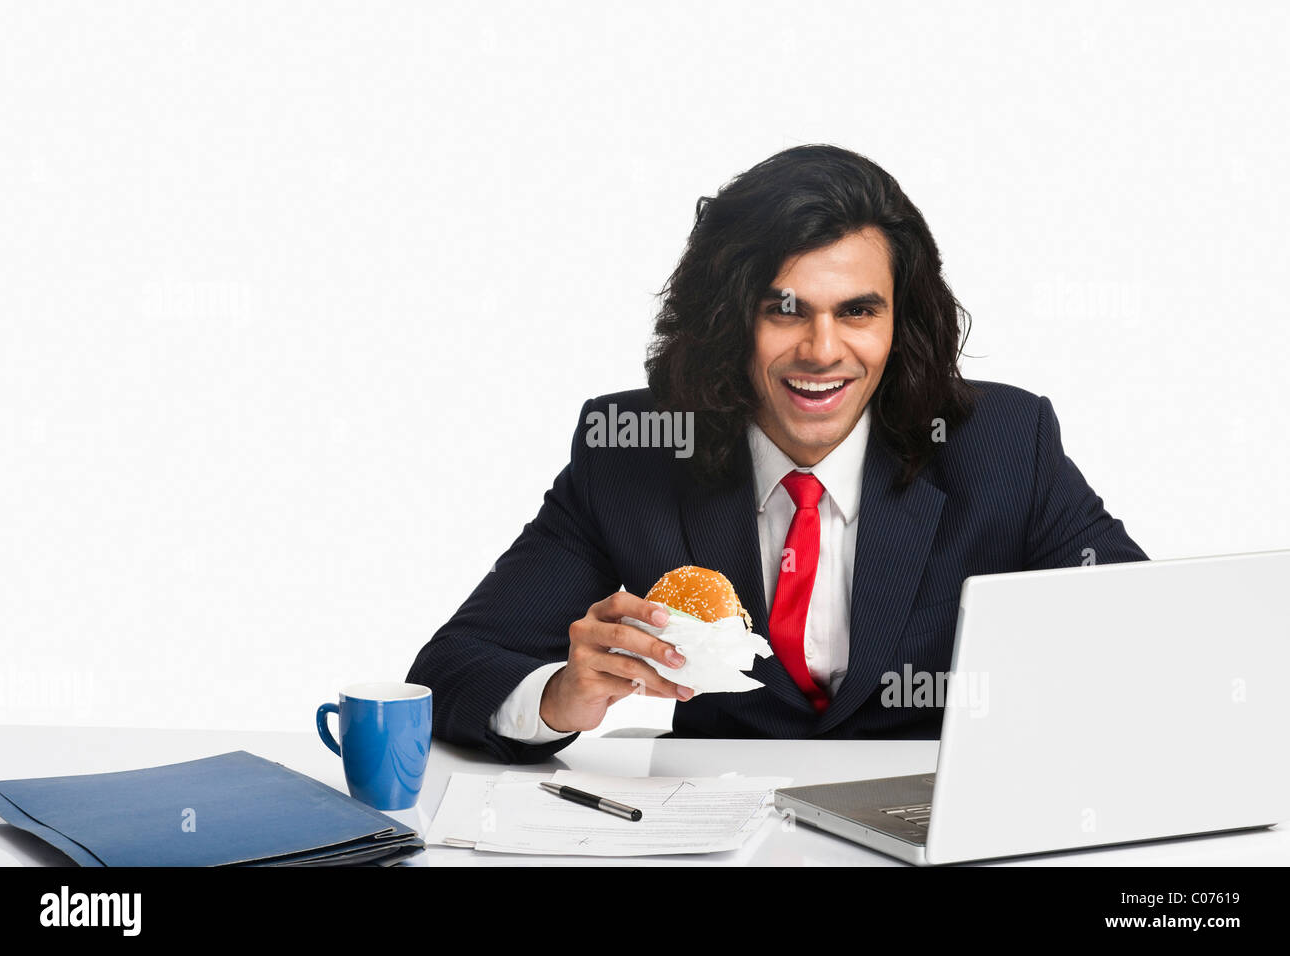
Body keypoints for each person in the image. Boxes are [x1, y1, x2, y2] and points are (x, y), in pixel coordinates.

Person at [406, 144, 1148, 763]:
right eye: (784, 311)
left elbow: (1145, 639)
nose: (823, 352)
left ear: (902, 323)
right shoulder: (632, 453)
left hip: (938, 826)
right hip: (716, 835)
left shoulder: (1003, 443)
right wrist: (560, 697)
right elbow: (451, 670)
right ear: (728, 322)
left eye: (858, 311)